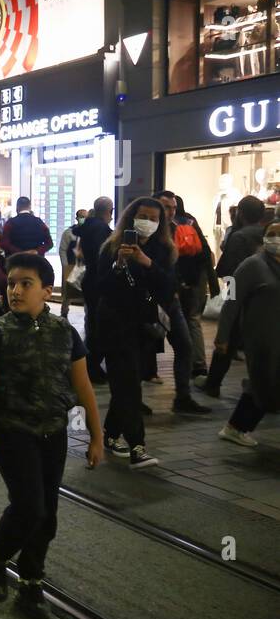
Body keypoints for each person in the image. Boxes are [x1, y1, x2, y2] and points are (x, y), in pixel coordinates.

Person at [0, 252, 103, 619]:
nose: (15, 290)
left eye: (25, 284)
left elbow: (84, 385)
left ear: (47, 291)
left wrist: (96, 436)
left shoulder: (65, 333)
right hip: (13, 433)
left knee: (47, 517)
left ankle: (31, 582)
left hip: (53, 433)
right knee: (29, 507)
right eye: (11, 283)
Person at [90, 197, 176, 469]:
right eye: (143, 216)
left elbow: (168, 287)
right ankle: (138, 446)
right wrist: (118, 265)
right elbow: (99, 288)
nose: (147, 222)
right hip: (115, 326)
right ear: (130, 217)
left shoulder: (163, 249)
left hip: (146, 326)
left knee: (129, 382)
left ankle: (111, 434)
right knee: (128, 385)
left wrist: (146, 262)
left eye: (153, 218)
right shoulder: (112, 247)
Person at [216, 220, 280, 447]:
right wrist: (222, 336)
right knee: (263, 381)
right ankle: (235, 427)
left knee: (269, 382)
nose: (276, 238)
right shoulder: (251, 265)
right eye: (272, 234)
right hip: (260, 337)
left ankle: (237, 426)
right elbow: (230, 300)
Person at [201, 195, 272, 397]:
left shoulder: (239, 236)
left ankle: (213, 383)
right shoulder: (268, 233)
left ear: (240, 213)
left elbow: (228, 270)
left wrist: (229, 295)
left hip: (239, 292)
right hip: (264, 298)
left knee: (228, 336)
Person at [156, 191, 216, 413]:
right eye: (165, 207)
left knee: (184, 344)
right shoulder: (146, 232)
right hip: (149, 301)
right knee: (139, 351)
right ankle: (129, 401)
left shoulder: (178, 228)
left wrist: (186, 285)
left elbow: (199, 255)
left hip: (173, 297)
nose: (170, 211)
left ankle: (183, 396)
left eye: (172, 207)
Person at [76, 196, 115, 384]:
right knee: (98, 327)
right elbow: (102, 256)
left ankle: (91, 366)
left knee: (94, 324)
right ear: (110, 211)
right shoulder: (100, 229)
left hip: (91, 280)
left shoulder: (88, 226)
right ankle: (91, 367)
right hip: (98, 282)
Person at [58, 209, 87, 321]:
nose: (83, 219)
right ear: (76, 218)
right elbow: (63, 250)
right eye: (81, 216)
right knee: (68, 293)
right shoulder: (69, 233)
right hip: (71, 266)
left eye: (85, 217)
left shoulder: (89, 233)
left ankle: (87, 315)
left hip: (84, 267)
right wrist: (65, 267)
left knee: (86, 292)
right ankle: (64, 313)